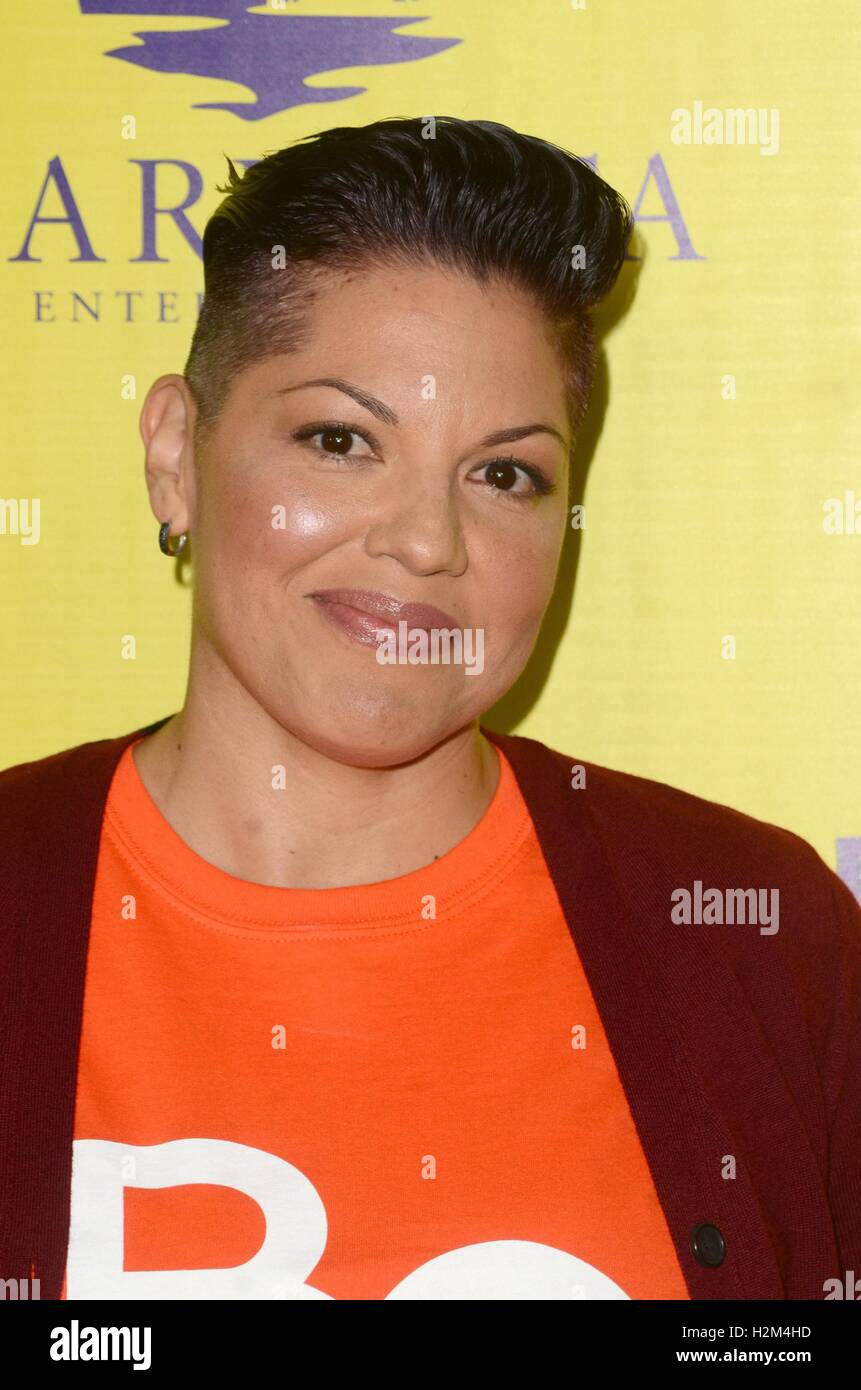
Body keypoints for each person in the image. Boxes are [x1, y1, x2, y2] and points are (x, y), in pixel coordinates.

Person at [1, 117, 859, 1302]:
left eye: (504, 473)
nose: (425, 541)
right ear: (175, 454)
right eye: (341, 439)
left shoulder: (754, 932)